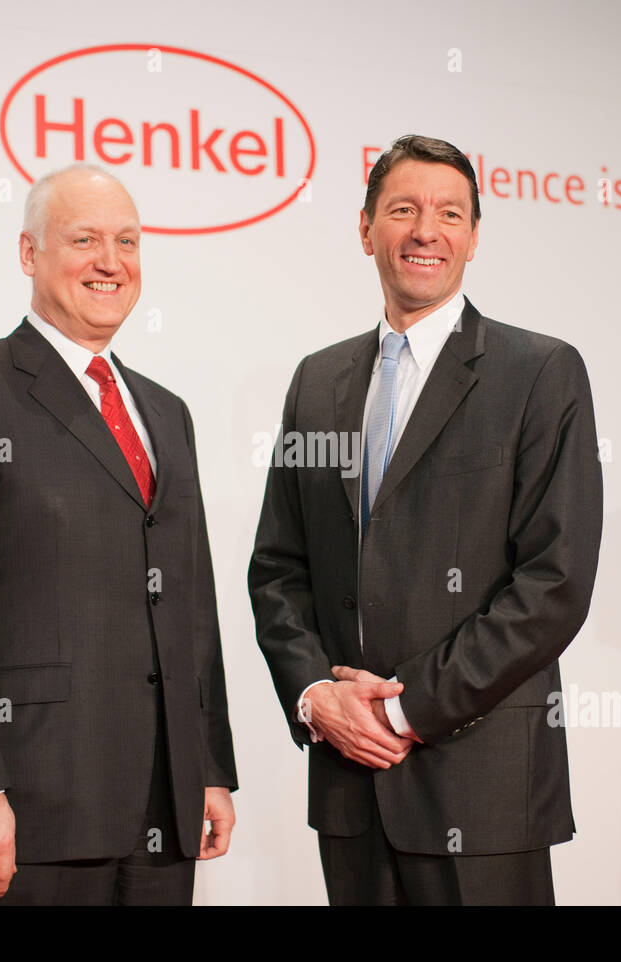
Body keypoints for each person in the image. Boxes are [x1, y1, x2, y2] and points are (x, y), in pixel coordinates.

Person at [248, 135, 602, 905]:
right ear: (367, 226)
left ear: (474, 237)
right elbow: (279, 567)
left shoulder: (539, 373)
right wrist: (317, 697)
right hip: (349, 786)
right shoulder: (318, 381)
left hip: (480, 789)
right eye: (403, 209)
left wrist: (407, 709)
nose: (424, 230)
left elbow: (555, 582)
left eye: (449, 213)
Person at [0, 164, 237, 905]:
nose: (110, 261)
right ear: (29, 253)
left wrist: (207, 764)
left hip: (161, 808)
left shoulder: (167, 412)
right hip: (32, 806)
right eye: (84, 239)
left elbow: (192, 607)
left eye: (127, 241)